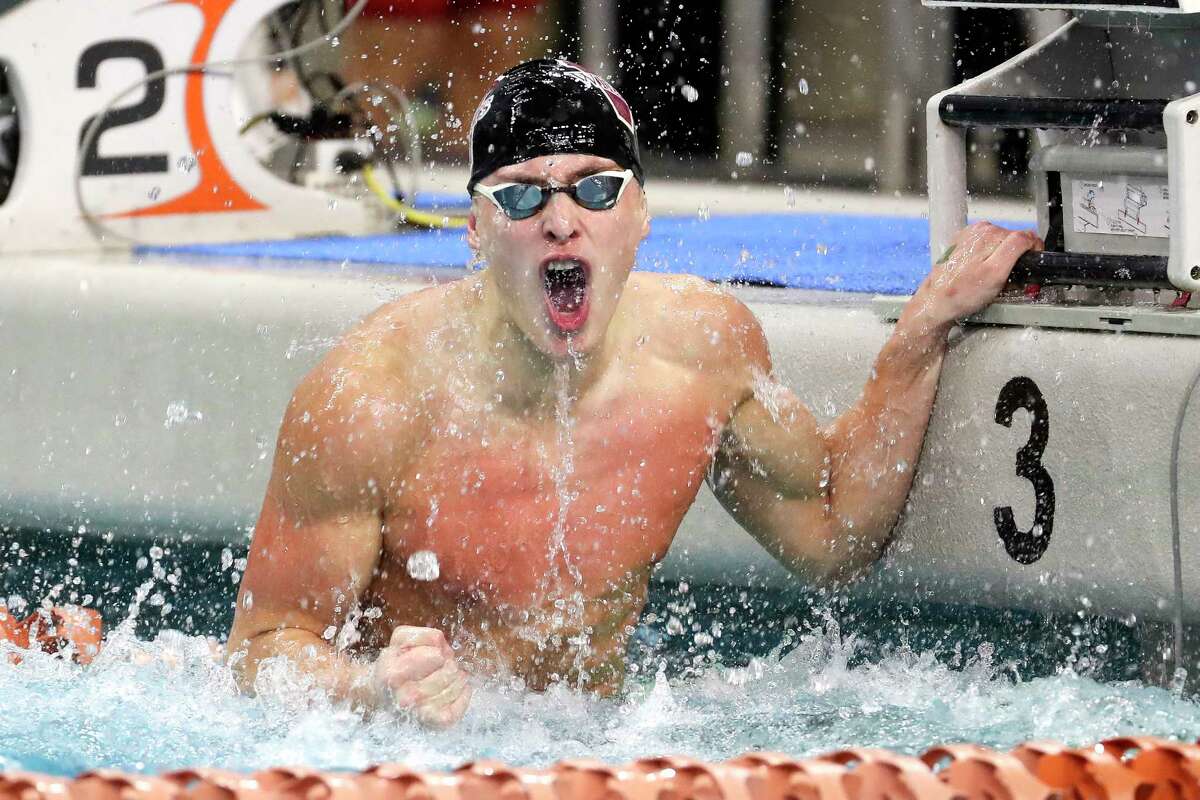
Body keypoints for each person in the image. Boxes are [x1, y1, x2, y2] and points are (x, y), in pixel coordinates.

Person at [226, 58, 1041, 728]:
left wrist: (919, 335)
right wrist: (373, 691)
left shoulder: (704, 351)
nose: (559, 219)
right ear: (474, 228)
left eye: (595, 188)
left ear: (642, 212)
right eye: (520, 194)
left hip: (596, 750)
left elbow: (833, 538)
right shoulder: (371, 399)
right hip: (413, 764)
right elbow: (261, 649)